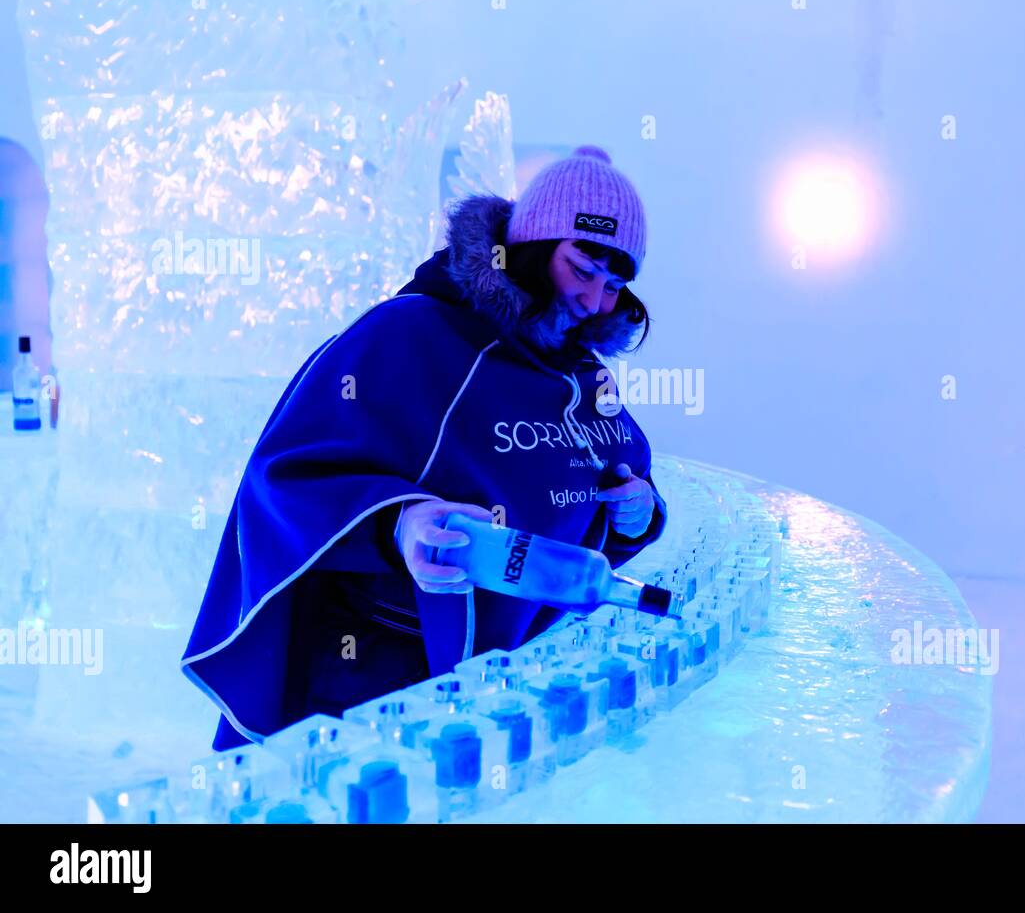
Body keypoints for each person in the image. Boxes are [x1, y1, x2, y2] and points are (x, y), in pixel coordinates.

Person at [182, 145, 668, 751]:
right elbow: (284, 478)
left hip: (501, 691)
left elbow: (616, 474)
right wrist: (400, 525)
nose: (595, 301)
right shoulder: (407, 334)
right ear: (531, 248)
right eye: (583, 268)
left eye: (615, 284)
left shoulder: (581, 373)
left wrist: (636, 511)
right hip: (370, 673)